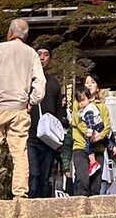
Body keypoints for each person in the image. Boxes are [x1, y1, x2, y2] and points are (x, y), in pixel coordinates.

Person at [0, 18, 46, 200]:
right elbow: (41, 82)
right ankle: (20, 193)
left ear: (9, 32)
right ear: (26, 36)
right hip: (20, 109)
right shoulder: (31, 54)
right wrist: (32, 102)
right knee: (20, 152)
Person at [27, 44, 67, 199]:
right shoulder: (27, 80)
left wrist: (59, 138)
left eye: (46, 54)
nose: (42, 57)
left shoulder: (54, 83)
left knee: (45, 177)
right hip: (31, 134)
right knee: (33, 173)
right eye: (39, 54)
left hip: (49, 138)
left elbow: (59, 111)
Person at [71, 74, 110, 196]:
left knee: (96, 184)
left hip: (97, 147)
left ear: (97, 87)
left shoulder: (102, 107)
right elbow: (78, 122)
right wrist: (90, 132)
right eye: (86, 82)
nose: (88, 84)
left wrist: (100, 135)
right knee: (83, 181)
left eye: (92, 82)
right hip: (81, 147)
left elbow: (107, 125)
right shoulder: (77, 103)